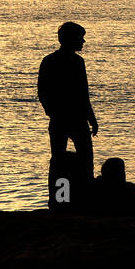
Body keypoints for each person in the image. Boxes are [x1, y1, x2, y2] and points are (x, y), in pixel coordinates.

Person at [38, 21, 98, 179]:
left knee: (59, 163)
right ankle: (80, 196)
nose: (83, 42)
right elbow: (83, 95)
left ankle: (61, 199)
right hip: (74, 119)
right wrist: (91, 119)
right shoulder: (76, 62)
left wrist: (52, 112)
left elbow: (43, 92)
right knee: (84, 162)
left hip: (63, 119)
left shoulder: (50, 60)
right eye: (80, 38)